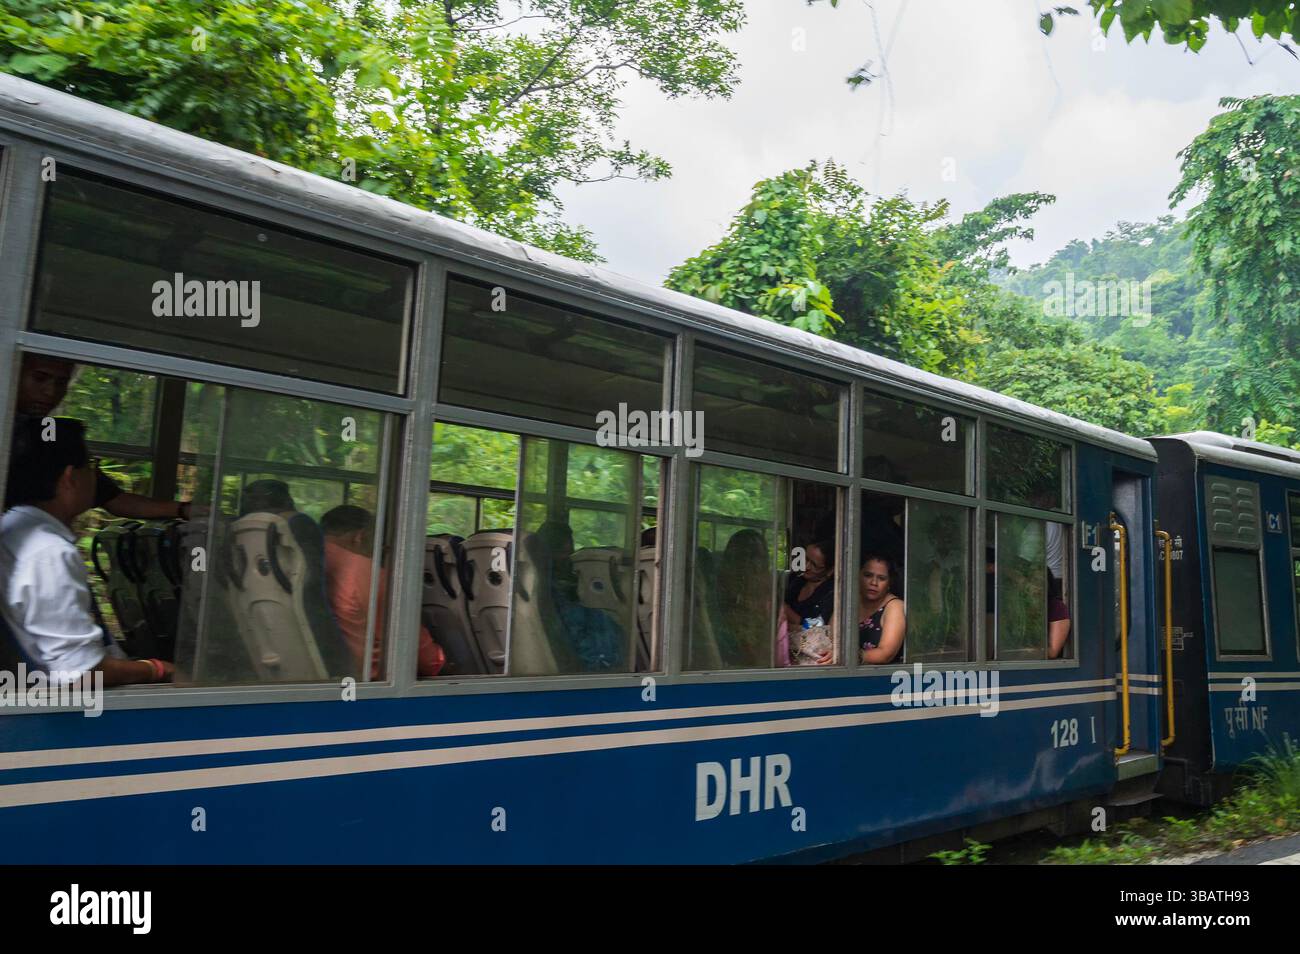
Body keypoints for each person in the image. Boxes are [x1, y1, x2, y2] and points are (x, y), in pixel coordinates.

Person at [0, 417, 172, 686]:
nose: (95, 476)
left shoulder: (13, 529)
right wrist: (158, 669)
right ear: (70, 478)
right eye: (92, 466)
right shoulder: (49, 553)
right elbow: (82, 672)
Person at [9, 354, 195, 519]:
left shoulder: (48, 432)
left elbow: (115, 499)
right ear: (13, 371)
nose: (50, 392)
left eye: (61, 383)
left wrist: (184, 509)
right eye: (39, 378)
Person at [321, 505, 445, 679]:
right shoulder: (367, 574)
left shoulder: (310, 558)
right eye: (376, 543)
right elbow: (418, 651)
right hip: (371, 685)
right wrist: (438, 661)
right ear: (360, 537)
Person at [715, 528, 773, 668]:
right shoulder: (721, 591)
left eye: (760, 557)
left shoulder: (768, 587)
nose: (754, 564)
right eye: (747, 557)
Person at [781, 540, 835, 665]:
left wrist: (785, 611)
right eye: (804, 559)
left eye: (815, 565)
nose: (806, 566)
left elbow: (818, 627)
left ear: (830, 570)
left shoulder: (831, 593)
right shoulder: (795, 580)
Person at [858, 553, 906, 665]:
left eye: (881, 578)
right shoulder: (850, 600)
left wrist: (853, 658)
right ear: (858, 576)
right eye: (868, 575)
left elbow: (886, 654)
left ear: (889, 583)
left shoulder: (894, 606)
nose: (874, 583)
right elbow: (830, 638)